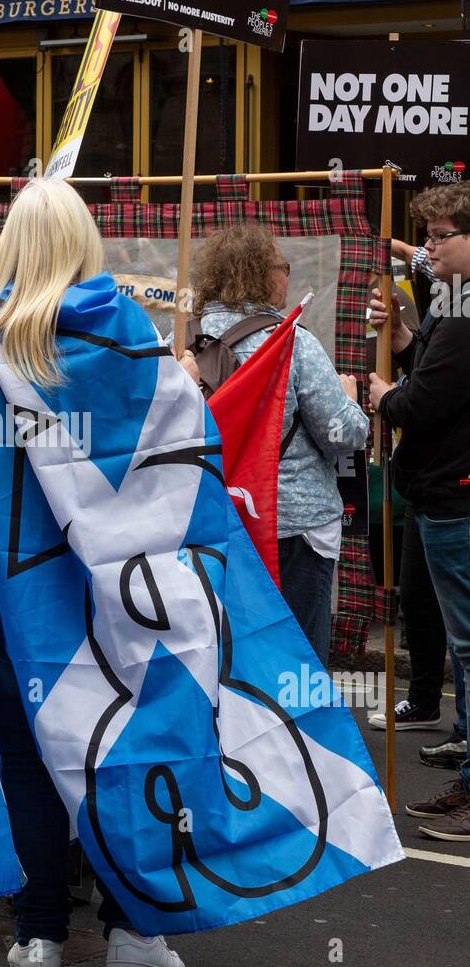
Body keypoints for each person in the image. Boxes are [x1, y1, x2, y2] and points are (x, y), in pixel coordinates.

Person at [0, 179, 189, 967]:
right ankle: (137, 929)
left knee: (29, 750)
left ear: (9, 248)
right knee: (121, 736)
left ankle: (39, 939)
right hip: (115, 573)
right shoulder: (132, 337)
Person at [186, 225, 369, 667]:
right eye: (282, 268)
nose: (287, 278)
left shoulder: (188, 341)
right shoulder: (292, 344)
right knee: (297, 658)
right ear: (259, 276)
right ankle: (297, 737)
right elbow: (342, 435)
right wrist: (351, 402)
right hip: (292, 525)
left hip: (213, 519)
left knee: (232, 658)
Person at [369, 183, 470, 840]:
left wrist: (380, 395)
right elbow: (429, 370)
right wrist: (404, 339)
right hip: (440, 490)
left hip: (455, 496)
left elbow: (422, 402)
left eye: (439, 236)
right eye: (425, 236)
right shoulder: (452, 304)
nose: (427, 249)